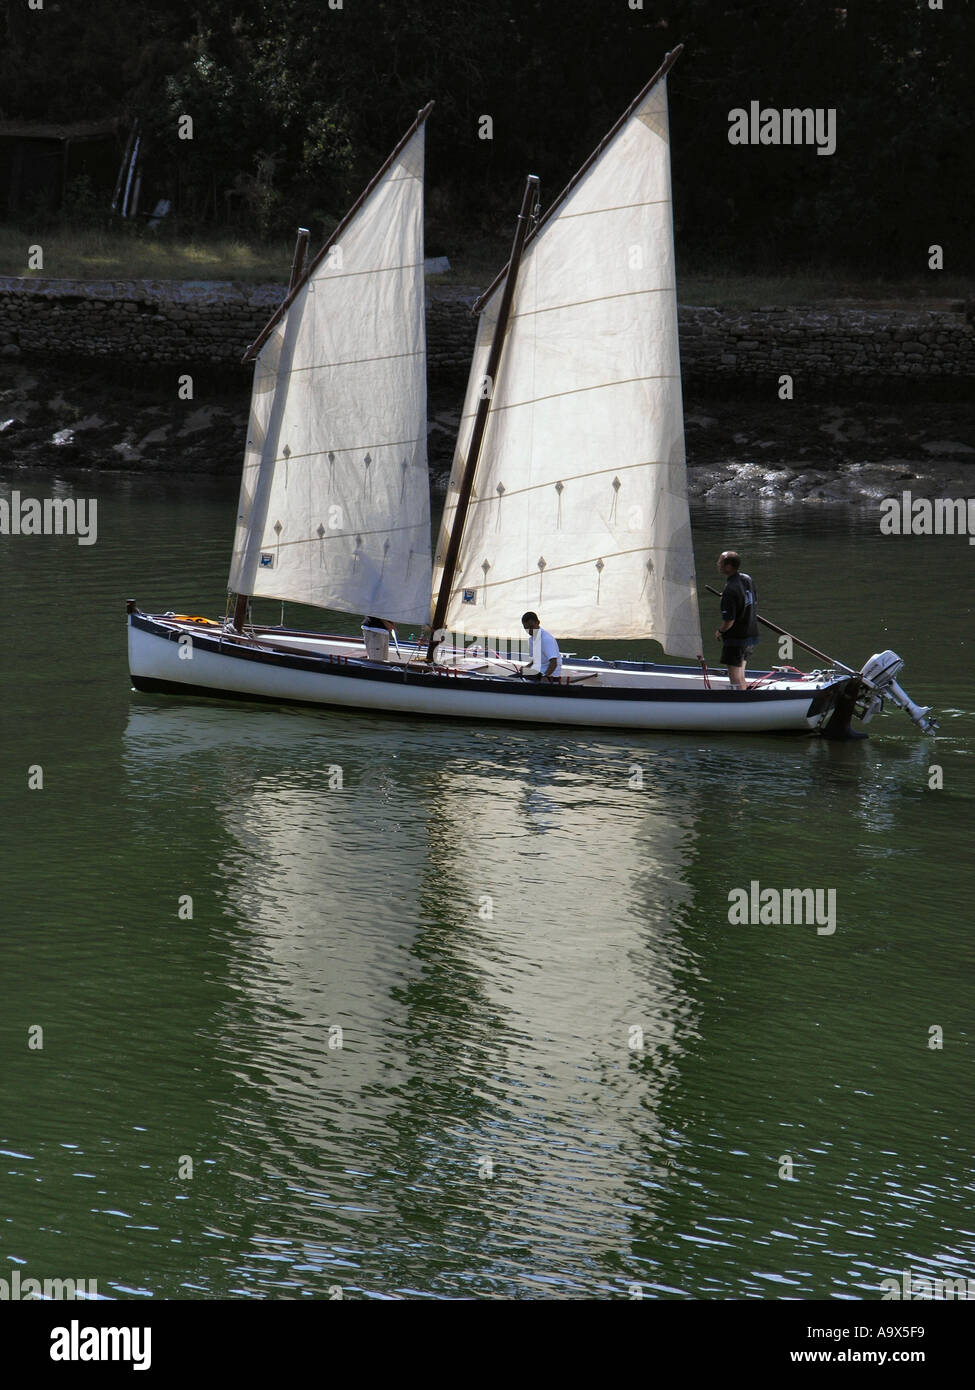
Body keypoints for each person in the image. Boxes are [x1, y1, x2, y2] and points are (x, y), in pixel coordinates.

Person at [715, 551, 758, 690]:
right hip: (750, 635)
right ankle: (744, 695)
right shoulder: (747, 579)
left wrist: (720, 631)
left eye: (720, 562)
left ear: (728, 567)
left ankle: (741, 702)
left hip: (736, 639)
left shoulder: (730, 590)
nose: (717, 564)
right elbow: (753, 602)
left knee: (735, 677)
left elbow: (729, 621)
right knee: (741, 674)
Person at [518, 611, 561, 682]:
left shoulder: (546, 639)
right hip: (538, 672)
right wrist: (527, 667)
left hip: (550, 675)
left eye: (531, 627)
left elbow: (554, 663)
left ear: (538, 622)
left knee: (515, 679)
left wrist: (545, 676)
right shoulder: (531, 639)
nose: (529, 630)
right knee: (512, 677)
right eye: (526, 628)